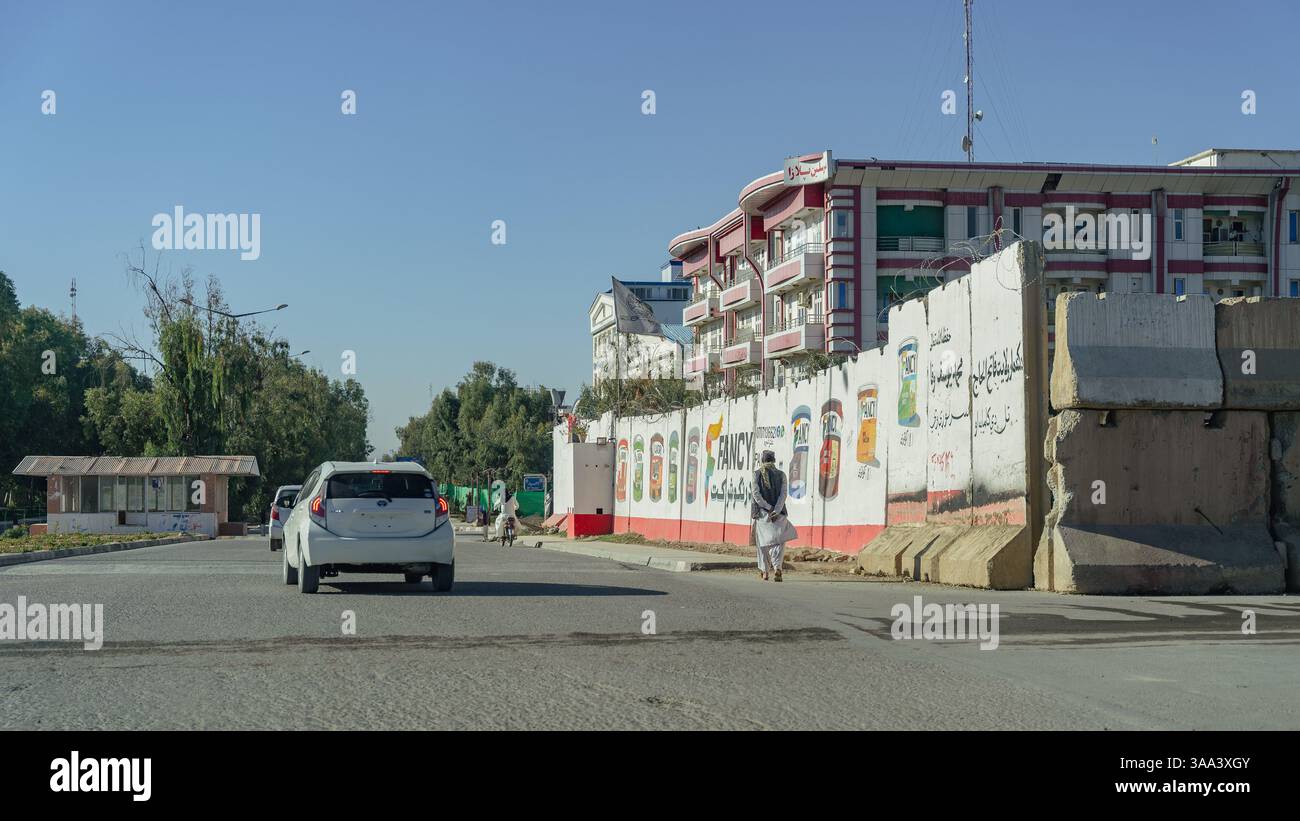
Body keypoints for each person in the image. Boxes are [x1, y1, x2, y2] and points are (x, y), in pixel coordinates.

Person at [751, 450, 795, 582]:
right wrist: (776, 510)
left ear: (762, 461)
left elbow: (756, 495)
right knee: (779, 542)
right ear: (774, 461)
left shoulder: (756, 474)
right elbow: (783, 495)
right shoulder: (782, 475)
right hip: (779, 514)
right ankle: (777, 568)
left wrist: (769, 508)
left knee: (763, 544)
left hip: (762, 514)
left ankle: (765, 572)